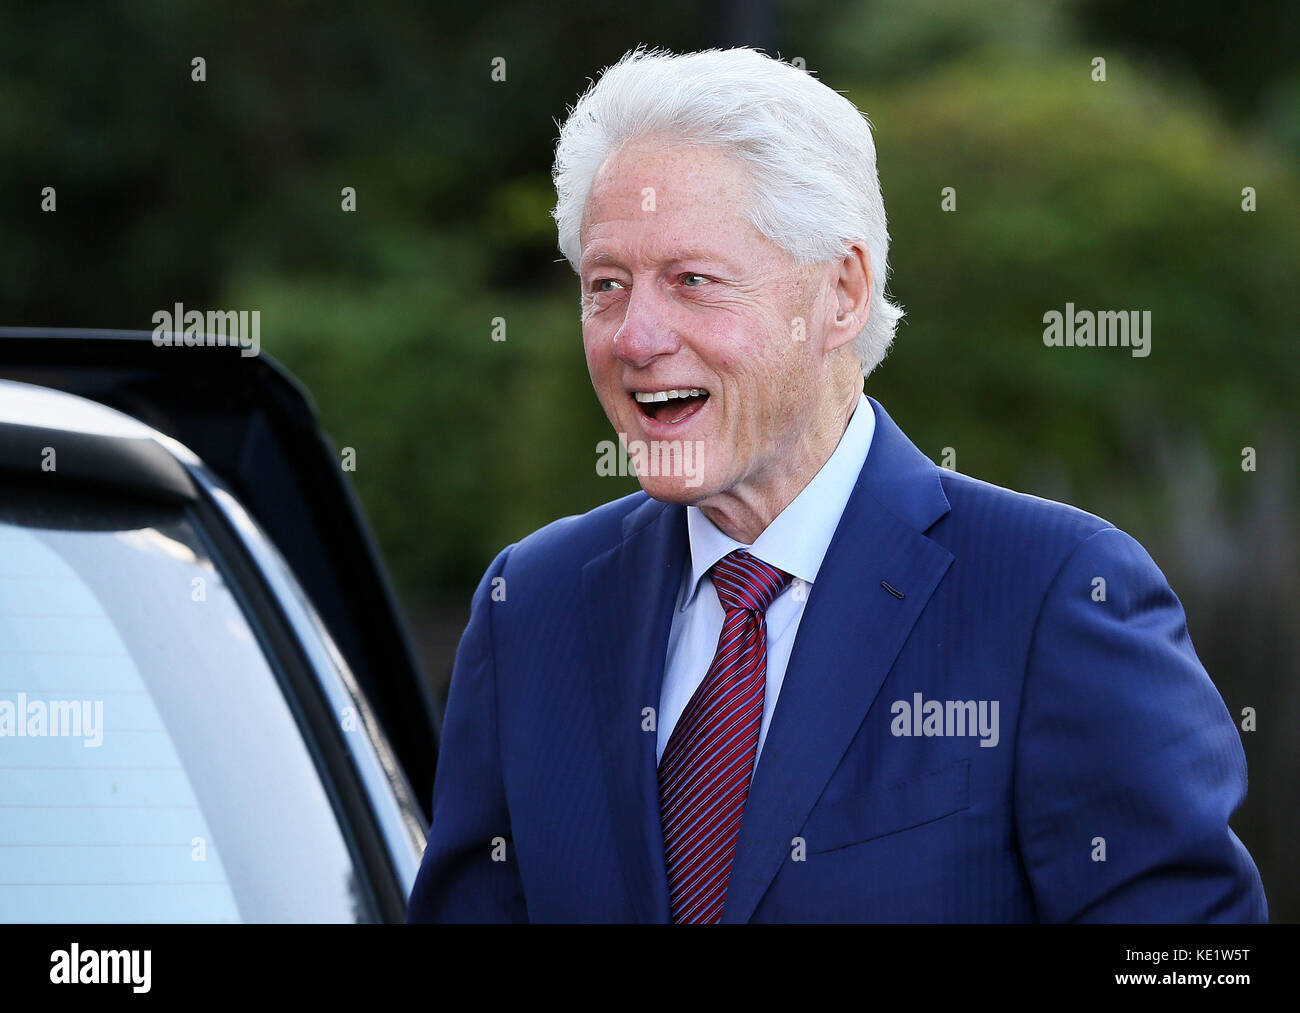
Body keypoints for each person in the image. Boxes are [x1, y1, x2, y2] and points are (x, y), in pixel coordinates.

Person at [407, 46, 1267, 923]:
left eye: (692, 281)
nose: (634, 336)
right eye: (606, 286)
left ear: (842, 293)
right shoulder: (533, 606)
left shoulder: (1053, 594)